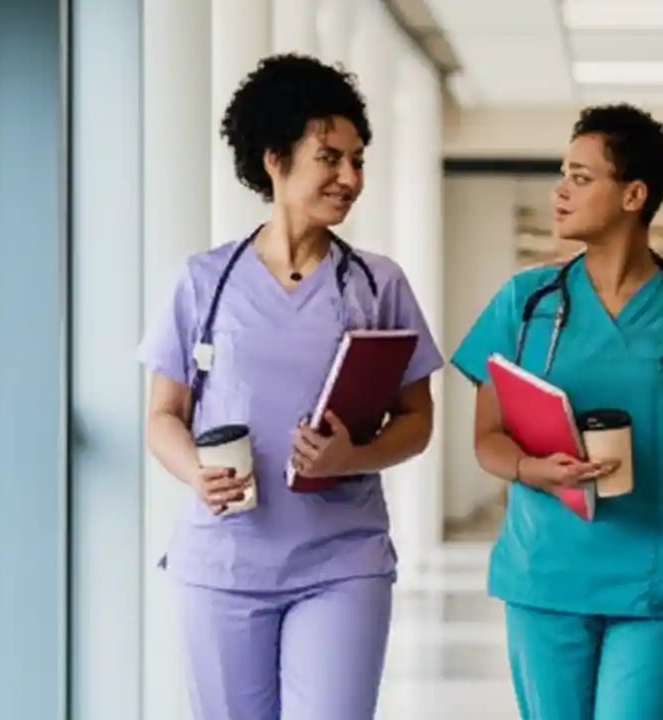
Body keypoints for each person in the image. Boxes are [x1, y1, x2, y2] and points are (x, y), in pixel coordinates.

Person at [138, 54, 443, 720]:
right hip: (222, 563)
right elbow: (163, 415)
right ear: (275, 159)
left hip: (343, 558)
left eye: (358, 160)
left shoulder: (378, 284)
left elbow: (417, 418)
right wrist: (195, 471)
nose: (349, 177)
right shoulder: (204, 282)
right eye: (330, 158)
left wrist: (352, 458)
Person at [450, 104, 663, 719]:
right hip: (547, 569)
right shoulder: (524, 300)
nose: (560, 191)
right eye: (562, 174)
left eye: (581, 176)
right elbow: (487, 437)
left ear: (633, 194)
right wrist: (533, 470)